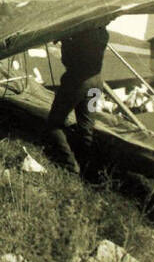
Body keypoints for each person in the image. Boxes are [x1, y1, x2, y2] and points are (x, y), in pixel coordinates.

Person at [45, 25, 110, 178]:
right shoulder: (103, 33)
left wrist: (65, 41)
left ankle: (70, 164)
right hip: (97, 83)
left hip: (77, 82)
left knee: (54, 123)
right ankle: (90, 169)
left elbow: (67, 59)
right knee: (86, 127)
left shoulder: (81, 34)